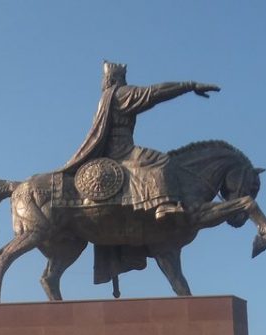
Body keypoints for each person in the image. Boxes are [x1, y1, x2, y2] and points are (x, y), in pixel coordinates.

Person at [63, 61, 219, 219]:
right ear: (117, 79)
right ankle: (164, 205)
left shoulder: (105, 98)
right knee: (161, 161)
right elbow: (154, 92)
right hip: (122, 150)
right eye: (123, 77)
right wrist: (189, 86)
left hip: (111, 148)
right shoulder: (120, 93)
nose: (126, 81)